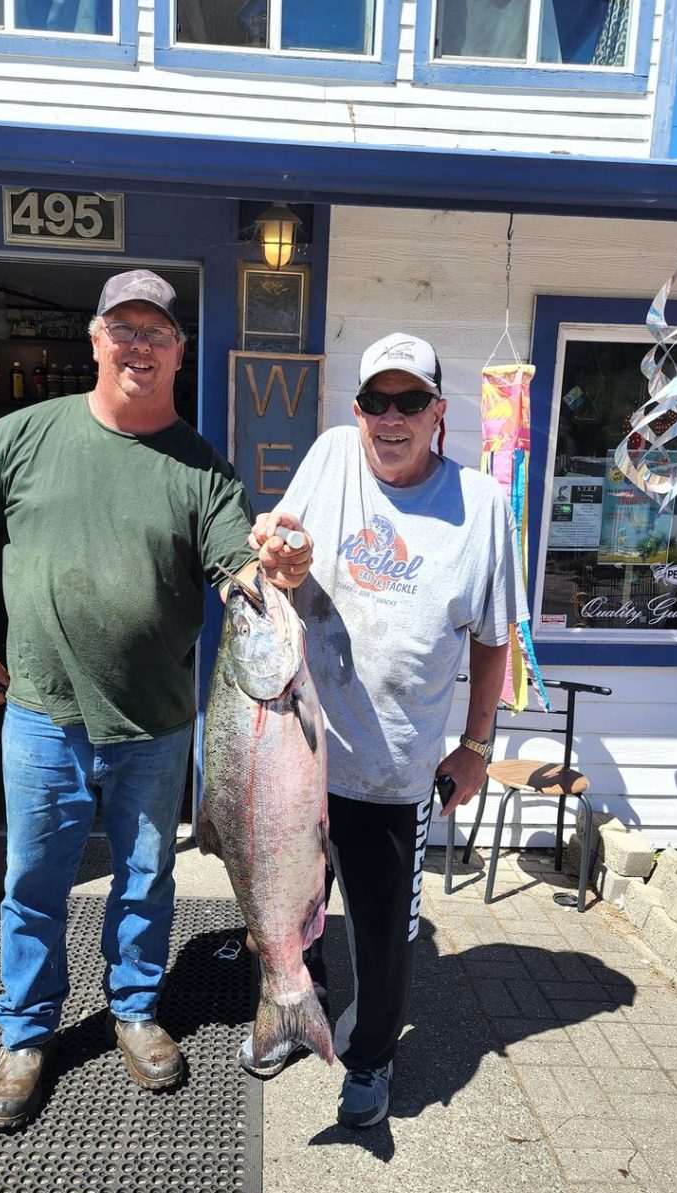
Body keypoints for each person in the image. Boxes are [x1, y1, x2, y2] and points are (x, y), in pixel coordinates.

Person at [0, 268, 310, 1130]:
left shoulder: (201, 467)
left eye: (157, 332)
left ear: (180, 351)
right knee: (33, 882)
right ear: (96, 339)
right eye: (123, 328)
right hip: (41, 712)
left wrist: (276, 571)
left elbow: (238, 574)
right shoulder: (24, 434)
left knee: (146, 878)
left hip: (155, 724)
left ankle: (135, 1012)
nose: (139, 344)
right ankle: (26, 1036)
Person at [244, 332, 527, 1128]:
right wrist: (276, 552)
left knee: (382, 939)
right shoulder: (333, 456)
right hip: (295, 752)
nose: (390, 418)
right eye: (376, 401)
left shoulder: (481, 509)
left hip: (392, 771)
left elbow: (493, 635)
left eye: (410, 402)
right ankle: (292, 1011)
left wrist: (475, 747)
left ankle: (369, 1059)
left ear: (440, 412)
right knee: (283, 909)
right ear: (359, 409)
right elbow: (279, 548)